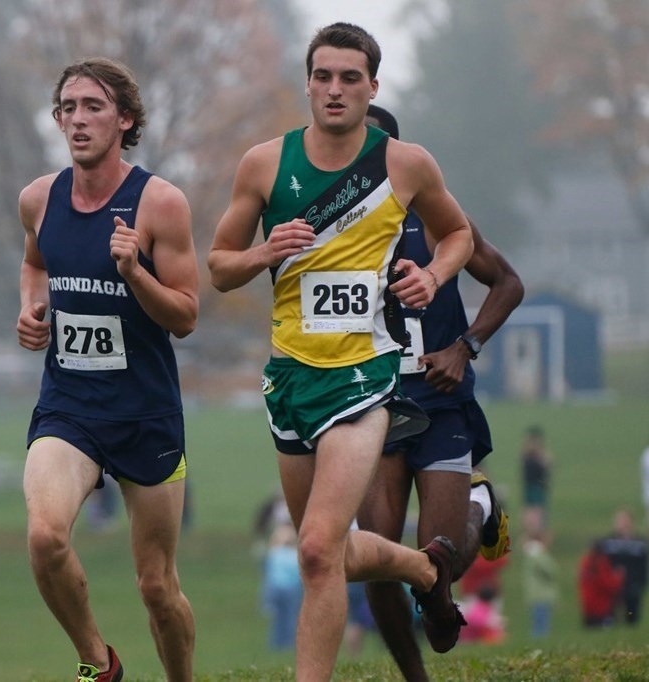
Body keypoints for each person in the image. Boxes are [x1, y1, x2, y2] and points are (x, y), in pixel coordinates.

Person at [207, 23, 475, 680]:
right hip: (291, 378)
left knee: (321, 548)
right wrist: (264, 252)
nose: (334, 90)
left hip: (366, 377)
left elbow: (459, 234)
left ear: (372, 86)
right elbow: (217, 267)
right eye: (323, 76)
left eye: (349, 78)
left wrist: (433, 276)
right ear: (307, 83)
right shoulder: (264, 164)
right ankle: (423, 570)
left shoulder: (405, 164)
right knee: (321, 552)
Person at [16, 57, 198, 682]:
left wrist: (135, 273)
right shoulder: (38, 198)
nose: (77, 119)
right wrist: (29, 310)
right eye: (67, 107)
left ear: (124, 119)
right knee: (45, 538)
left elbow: (186, 316)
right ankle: (100, 662)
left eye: (93, 106)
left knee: (157, 588)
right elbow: (35, 263)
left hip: (145, 413)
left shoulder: (161, 203)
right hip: (70, 405)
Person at [354, 104, 523, 679]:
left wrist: (464, 347)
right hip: (369, 404)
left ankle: (480, 504)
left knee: (437, 568)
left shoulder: (433, 219)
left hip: (439, 401)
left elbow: (508, 282)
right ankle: (415, 679)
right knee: (377, 557)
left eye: (368, 148)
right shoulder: (331, 227)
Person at [600, 508, 648, 625]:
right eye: (619, 521)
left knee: (631, 613)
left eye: (625, 520)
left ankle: (630, 625)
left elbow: (643, 567)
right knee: (611, 615)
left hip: (632, 585)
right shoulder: (608, 542)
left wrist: (640, 583)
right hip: (612, 586)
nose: (622, 524)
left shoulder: (640, 543)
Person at [262, 522, 305, 651]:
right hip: (291, 590)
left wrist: (266, 598)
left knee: (278, 618)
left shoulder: (274, 555)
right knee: (291, 617)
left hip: (276, 588)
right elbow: (298, 576)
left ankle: (277, 644)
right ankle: (288, 644)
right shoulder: (294, 556)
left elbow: (269, 576)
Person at [522, 525, 558, 638]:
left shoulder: (531, 554)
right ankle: (538, 644)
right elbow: (550, 570)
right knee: (541, 625)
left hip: (535, 594)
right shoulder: (538, 555)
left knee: (538, 622)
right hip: (541, 594)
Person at [578, 539, 624, 628]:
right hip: (602, 606)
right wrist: (619, 577)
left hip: (587, 605)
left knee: (590, 634)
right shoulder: (600, 562)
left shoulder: (585, 561)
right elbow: (608, 584)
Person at [521, 424, 552, 530]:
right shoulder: (534, 454)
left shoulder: (528, 453)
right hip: (534, 484)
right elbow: (548, 463)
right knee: (535, 510)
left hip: (536, 484)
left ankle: (533, 531)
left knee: (534, 509)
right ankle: (534, 532)